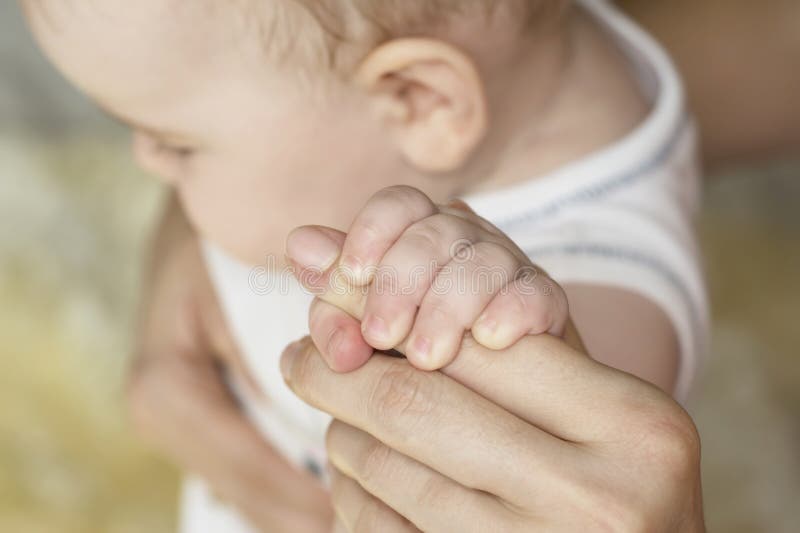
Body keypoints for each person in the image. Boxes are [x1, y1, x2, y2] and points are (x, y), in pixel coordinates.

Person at [20, 0, 708, 530]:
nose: (149, 163)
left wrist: (475, 323)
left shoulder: (609, 288)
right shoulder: (454, 62)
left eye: (175, 143)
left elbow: (581, 463)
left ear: (417, 100)